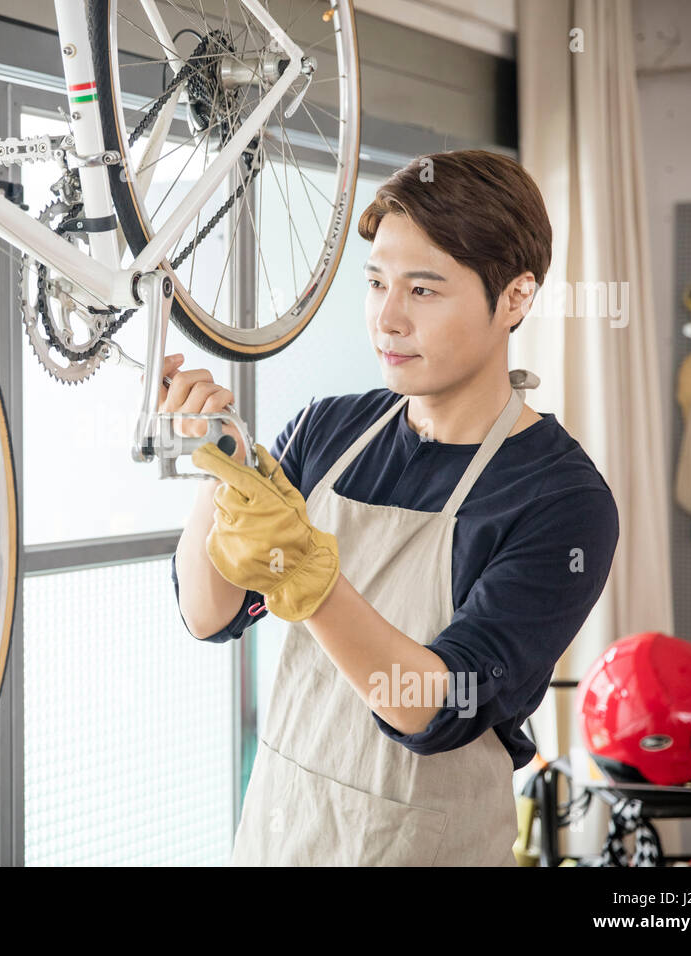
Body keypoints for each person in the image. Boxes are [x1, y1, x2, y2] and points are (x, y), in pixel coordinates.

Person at [167, 148, 620, 866]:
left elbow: (433, 706)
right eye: (376, 283)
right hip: (280, 839)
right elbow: (210, 613)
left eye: (424, 291)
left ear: (516, 298)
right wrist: (219, 463)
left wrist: (310, 579)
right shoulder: (329, 429)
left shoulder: (561, 500)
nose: (388, 318)